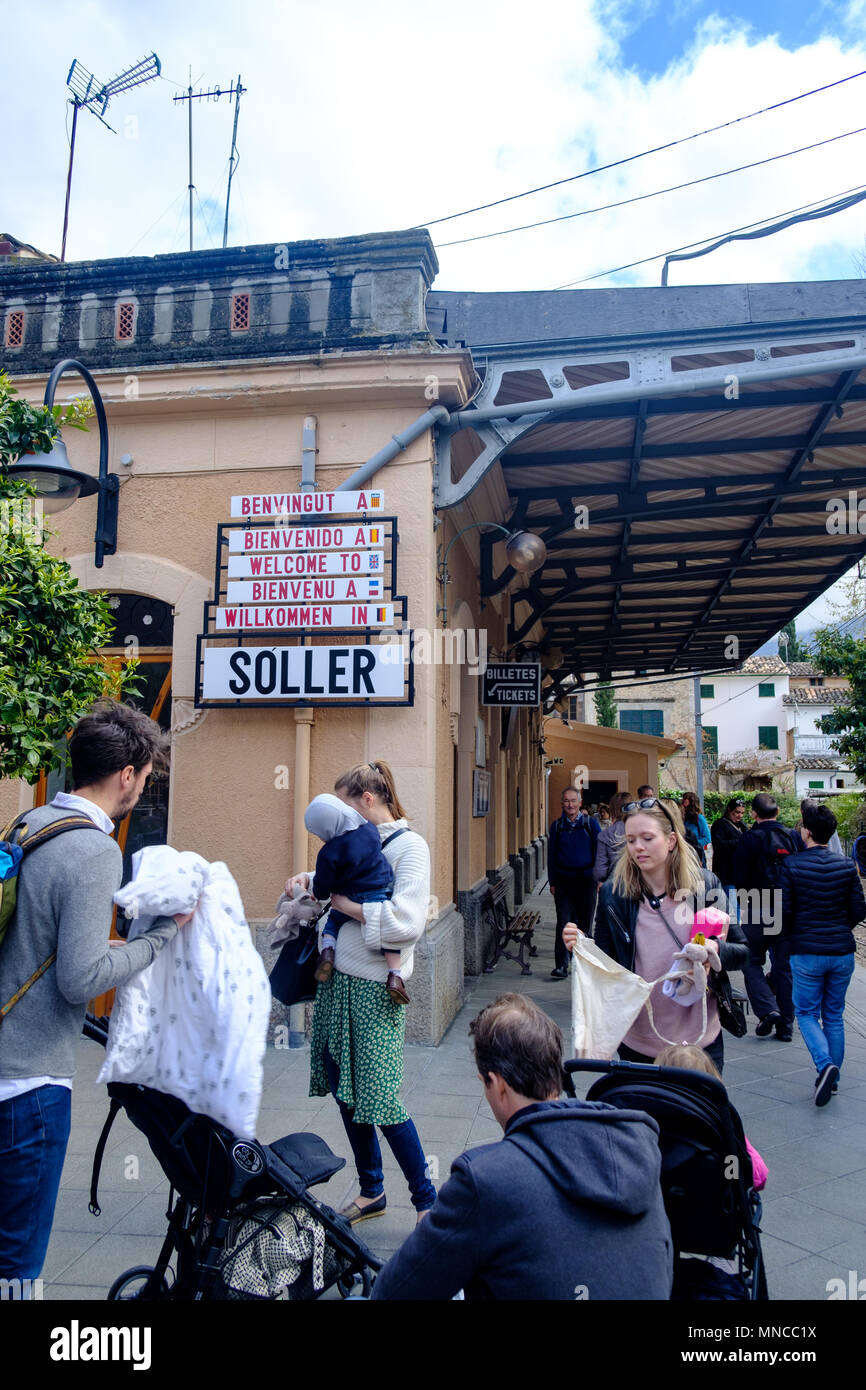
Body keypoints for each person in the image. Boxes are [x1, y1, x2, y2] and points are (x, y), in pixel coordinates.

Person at [0, 701, 193, 1284]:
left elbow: (35, 946)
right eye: (146, 776)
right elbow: (79, 978)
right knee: (15, 1265)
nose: (143, 788)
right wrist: (161, 937)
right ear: (127, 775)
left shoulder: (28, 825)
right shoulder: (94, 849)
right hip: (30, 1085)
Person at [371, 994, 673, 1300]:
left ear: (497, 1084)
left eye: (483, 1083)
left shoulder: (485, 1180)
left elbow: (393, 1292)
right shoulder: (637, 1146)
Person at [286, 760, 436, 1224]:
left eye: (347, 804)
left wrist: (345, 906)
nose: (342, 816)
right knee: (346, 1092)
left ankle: (427, 1201)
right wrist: (308, 885)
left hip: (376, 990)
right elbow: (340, 878)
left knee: (382, 1097)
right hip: (337, 984)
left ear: (366, 801)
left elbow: (408, 922)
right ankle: (372, 1190)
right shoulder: (358, 841)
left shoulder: (410, 847)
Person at [568, 797, 748, 1073]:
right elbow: (608, 965)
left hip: (700, 1044)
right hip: (638, 1044)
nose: (637, 847)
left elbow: (743, 951)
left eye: (647, 838)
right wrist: (582, 947)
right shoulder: (613, 895)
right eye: (631, 840)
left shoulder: (705, 887)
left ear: (671, 840)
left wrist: (714, 950)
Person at [654, 1043, 768, 1300]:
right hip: (712, 1217)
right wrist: (733, 1175)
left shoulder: (651, 1123)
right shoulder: (721, 1128)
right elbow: (757, 1175)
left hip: (658, 1214)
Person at [781, 802, 866, 1105]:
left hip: (806, 951)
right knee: (834, 1015)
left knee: (805, 1013)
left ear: (806, 831)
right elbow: (859, 908)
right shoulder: (846, 866)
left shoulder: (791, 865)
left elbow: (784, 912)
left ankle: (824, 1065)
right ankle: (834, 1078)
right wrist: (838, 926)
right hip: (842, 950)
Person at [303, 793, 408, 1005]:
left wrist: (319, 891)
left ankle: (328, 952)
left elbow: (323, 887)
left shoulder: (327, 853)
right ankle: (395, 975)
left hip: (348, 895)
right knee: (389, 939)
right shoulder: (369, 829)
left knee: (333, 923)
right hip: (378, 891)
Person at [732, 791, 802, 1043]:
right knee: (783, 968)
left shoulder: (748, 838)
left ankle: (767, 1009)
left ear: (753, 813)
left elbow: (738, 876)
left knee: (749, 961)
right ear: (778, 812)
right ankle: (786, 1026)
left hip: (757, 906)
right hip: (786, 908)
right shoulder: (792, 837)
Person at [548, 787, 600, 980]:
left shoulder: (591, 825)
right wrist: (552, 881)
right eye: (566, 801)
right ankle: (561, 965)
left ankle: (584, 965)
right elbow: (551, 856)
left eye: (573, 801)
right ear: (562, 803)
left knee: (585, 925)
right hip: (564, 882)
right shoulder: (557, 826)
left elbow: (599, 853)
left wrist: (599, 878)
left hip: (587, 882)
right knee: (564, 923)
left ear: (579, 803)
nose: (570, 804)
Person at [710, 798, 747, 916]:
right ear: (729, 810)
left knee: (739, 908)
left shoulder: (742, 826)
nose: (739, 815)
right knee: (732, 908)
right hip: (726, 874)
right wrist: (739, 841)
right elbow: (719, 845)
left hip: (739, 875)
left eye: (742, 813)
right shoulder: (720, 825)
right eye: (737, 812)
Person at [593, 790, 631, 883]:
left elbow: (600, 872)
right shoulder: (642, 830)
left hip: (614, 884)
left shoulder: (604, 835)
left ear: (612, 810)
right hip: (639, 887)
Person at [681, 792, 711, 868]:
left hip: (696, 854)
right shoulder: (682, 819)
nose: (685, 810)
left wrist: (693, 845)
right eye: (684, 807)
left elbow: (707, 838)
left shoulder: (699, 818)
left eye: (687, 807)